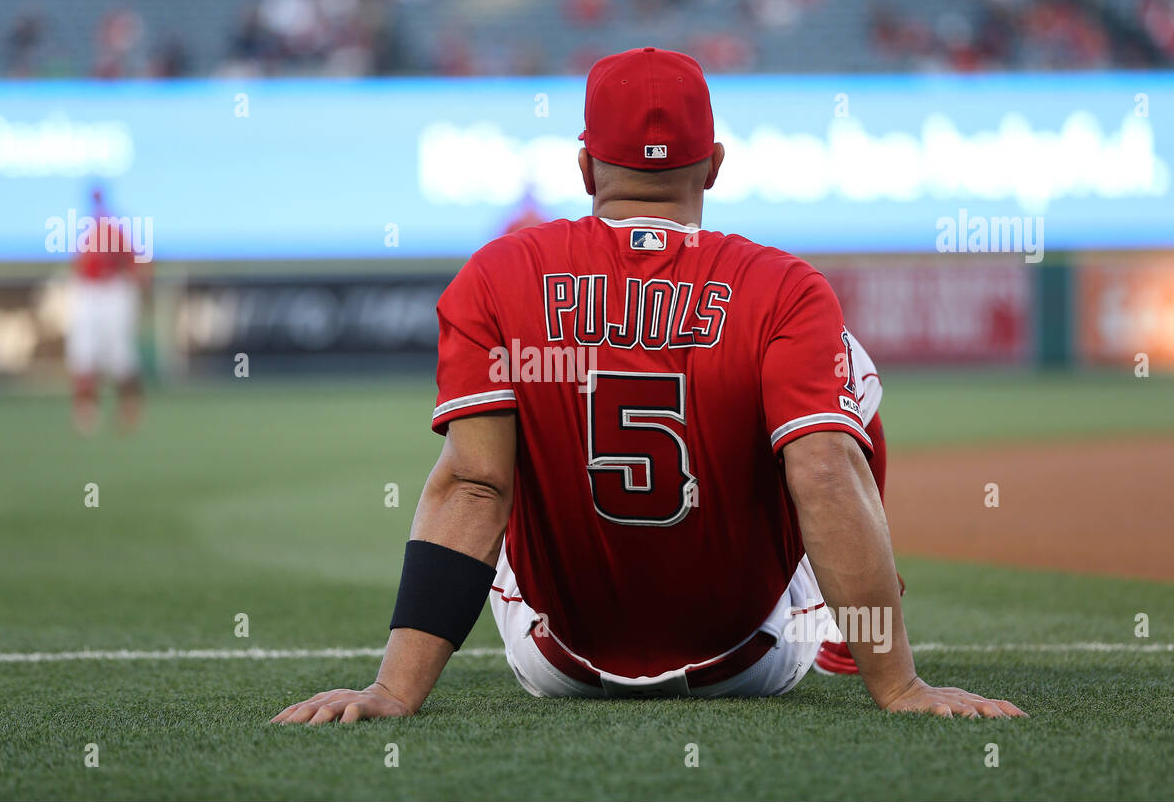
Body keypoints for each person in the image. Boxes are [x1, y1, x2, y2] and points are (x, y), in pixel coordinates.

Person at [273, 47, 1025, 724]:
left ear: (584, 166)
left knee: (488, 455)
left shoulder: (497, 275)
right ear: (716, 164)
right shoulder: (783, 286)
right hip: (749, 660)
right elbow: (826, 473)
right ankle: (843, 642)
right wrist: (899, 687)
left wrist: (394, 691)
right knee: (840, 390)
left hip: (558, 659)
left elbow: (474, 489)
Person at [66, 188, 145, 434]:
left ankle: (130, 406)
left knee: (120, 353)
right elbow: (79, 266)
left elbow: (134, 261)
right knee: (84, 351)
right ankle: (87, 409)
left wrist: (138, 287)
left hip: (113, 292)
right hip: (90, 292)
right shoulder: (85, 229)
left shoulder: (113, 228)